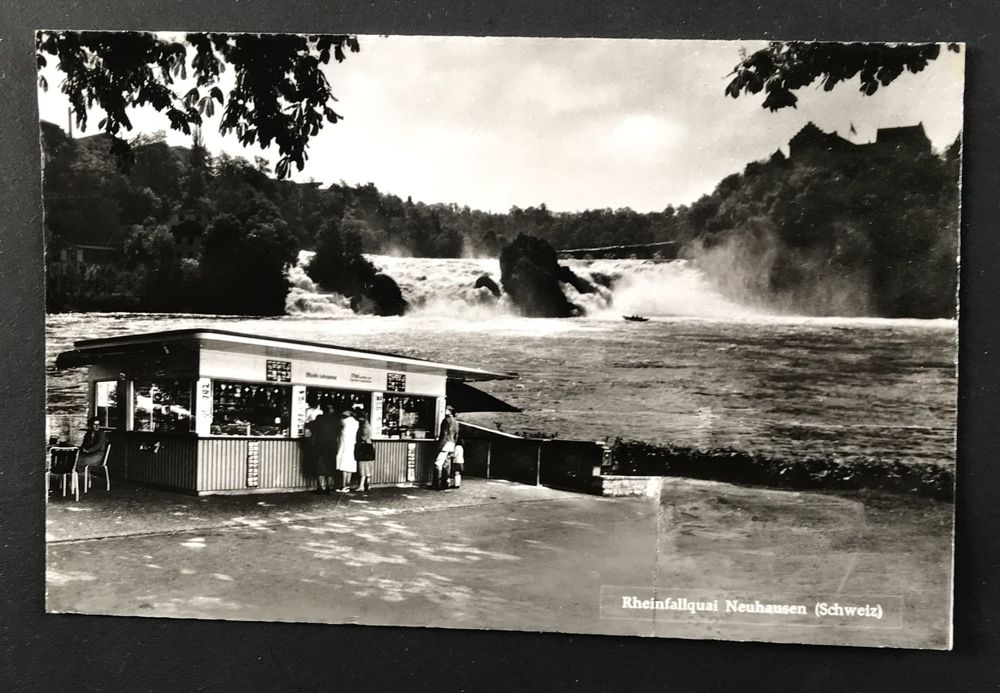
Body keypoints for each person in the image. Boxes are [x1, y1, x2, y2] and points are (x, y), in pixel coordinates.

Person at [309, 404, 340, 493]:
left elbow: (311, 426)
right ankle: (328, 487)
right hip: (332, 446)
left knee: (320, 467)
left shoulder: (319, 418)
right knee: (330, 466)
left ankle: (321, 487)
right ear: (331, 410)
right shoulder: (335, 420)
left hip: (320, 445)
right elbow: (339, 431)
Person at [433, 405, 459, 490]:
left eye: (445, 410)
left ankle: (436, 484)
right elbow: (456, 435)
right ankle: (445, 484)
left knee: (437, 464)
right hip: (451, 444)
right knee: (446, 465)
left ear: (449, 411)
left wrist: (439, 446)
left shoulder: (445, 420)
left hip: (445, 444)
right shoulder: (455, 422)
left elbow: (443, 434)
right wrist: (454, 445)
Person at [335, 408, 359, 492]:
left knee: (344, 465)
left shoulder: (344, 421)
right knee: (350, 465)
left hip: (344, 445)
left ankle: (343, 485)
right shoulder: (356, 423)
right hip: (352, 445)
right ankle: (347, 485)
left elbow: (338, 425)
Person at [353, 407, 376, 492]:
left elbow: (362, 436)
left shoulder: (362, 424)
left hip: (363, 446)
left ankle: (361, 485)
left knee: (362, 466)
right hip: (369, 446)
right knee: (369, 466)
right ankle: (368, 485)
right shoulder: (367, 423)